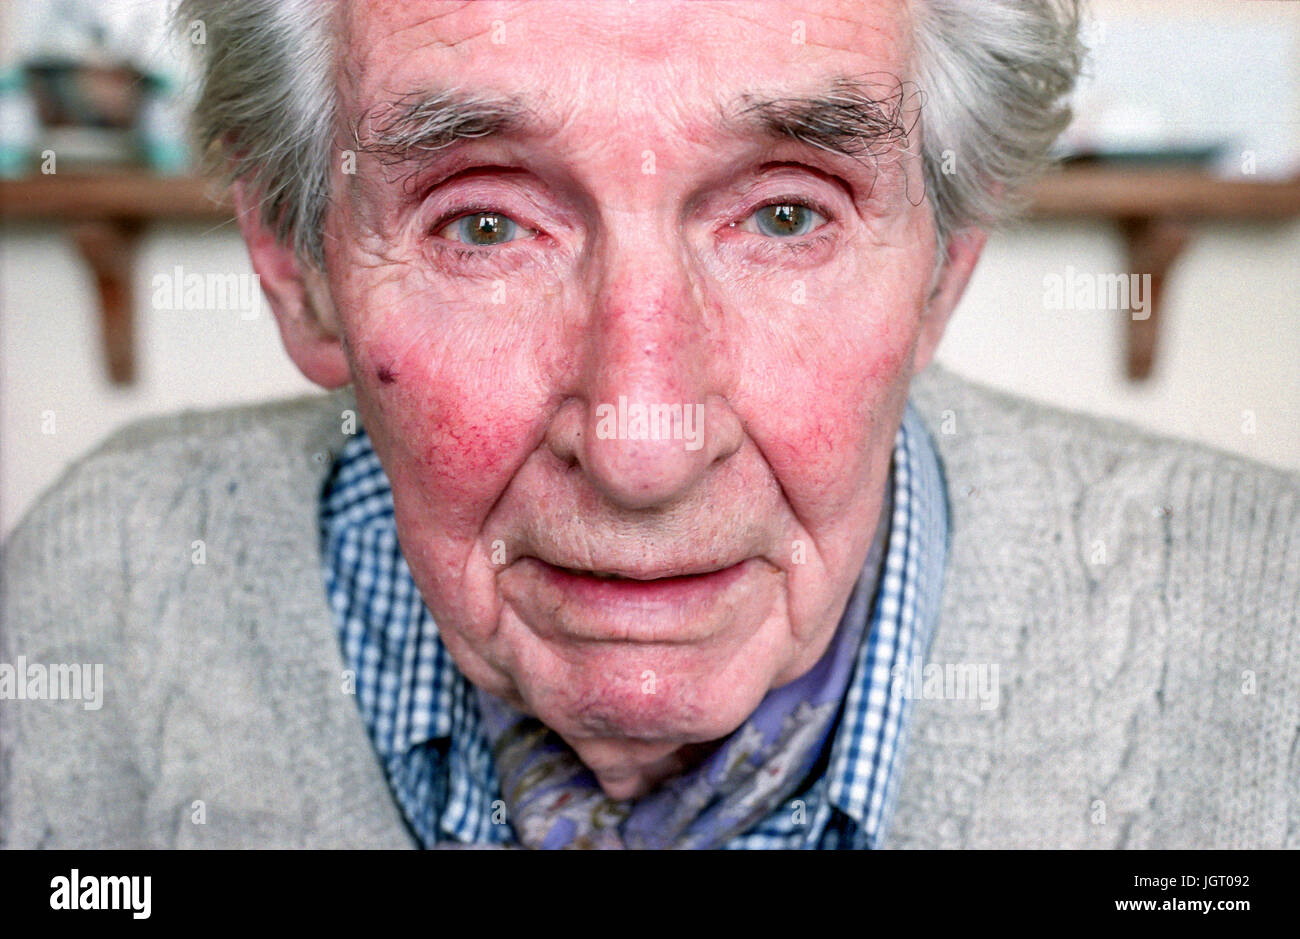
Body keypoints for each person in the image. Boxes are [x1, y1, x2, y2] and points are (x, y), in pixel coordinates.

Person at [3, 0, 1296, 849]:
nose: (640, 449)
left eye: (787, 214)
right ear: (300, 267)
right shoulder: (107, 587)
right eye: (484, 223)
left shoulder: (1261, 619)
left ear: (944, 267)